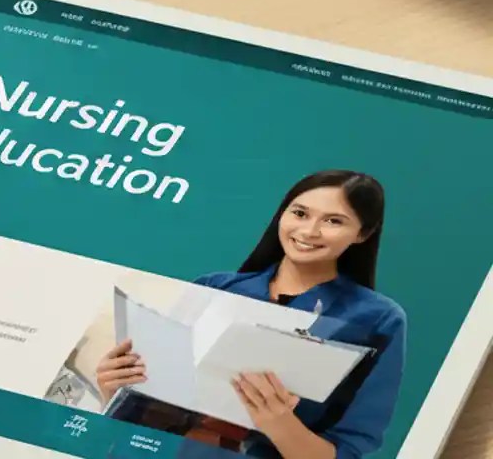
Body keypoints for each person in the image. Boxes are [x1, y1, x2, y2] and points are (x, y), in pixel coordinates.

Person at [94, 170, 408, 459]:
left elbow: (349, 448)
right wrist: (116, 386)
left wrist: (279, 423)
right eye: (299, 213)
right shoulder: (215, 287)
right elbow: (150, 400)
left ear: (363, 234)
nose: (309, 231)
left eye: (333, 221)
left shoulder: (377, 319)